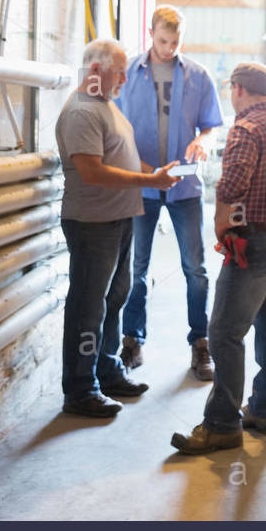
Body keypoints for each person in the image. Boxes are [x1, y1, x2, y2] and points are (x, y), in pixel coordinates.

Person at [171, 62, 266, 453]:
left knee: (223, 333)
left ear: (237, 89)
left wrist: (222, 217)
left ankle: (222, 424)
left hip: (253, 245)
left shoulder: (245, 129)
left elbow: (234, 182)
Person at [55, 39, 181, 417]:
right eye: (120, 71)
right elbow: (92, 171)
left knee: (113, 299)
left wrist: (153, 174)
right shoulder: (81, 113)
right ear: (96, 70)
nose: (126, 78)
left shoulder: (106, 107)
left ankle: (107, 370)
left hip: (117, 220)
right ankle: (80, 389)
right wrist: (149, 183)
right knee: (87, 307)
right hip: (93, 223)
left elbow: (121, 158)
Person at [114, 5, 223, 379]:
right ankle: (132, 341)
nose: (169, 48)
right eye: (163, 41)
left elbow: (211, 126)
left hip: (184, 186)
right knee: (135, 267)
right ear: (150, 33)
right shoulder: (127, 73)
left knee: (195, 268)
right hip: (141, 184)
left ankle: (200, 344)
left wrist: (205, 142)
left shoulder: (199, 76)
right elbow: (112, 127)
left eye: (176, 42)